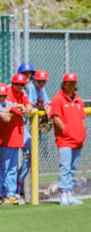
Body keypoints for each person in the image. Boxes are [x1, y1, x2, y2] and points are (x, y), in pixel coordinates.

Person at [0, 73, 33, 205]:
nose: (19, 86)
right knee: (3, 166)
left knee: (12, 167)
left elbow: (28, 106)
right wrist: (19, 107)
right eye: (17, 84)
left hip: (17, 133)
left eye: (22, 84)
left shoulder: (23, 94)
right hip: (6, 134)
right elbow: (7, 105)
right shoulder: (6, 91)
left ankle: (10, 194)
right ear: (12, 83)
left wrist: (25, 107)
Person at [50, 73, 86, 205]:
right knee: (65, 166)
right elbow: (55, 117)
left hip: (77, 140)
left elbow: (81, 118)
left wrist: (83, 134)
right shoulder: (58, 99)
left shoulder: (78, 100)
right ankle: (64, 194)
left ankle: (70, 192)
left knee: (73, 167)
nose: (70, 86)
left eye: (72, 84)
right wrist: (65, 131)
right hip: (65, 140)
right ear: (64, 84)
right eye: (68, 83)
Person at [18, 69, 51, 201]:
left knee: (32, 156)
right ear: (34, 80)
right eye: (39, 81)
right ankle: (15, 186)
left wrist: (47, 109)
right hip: (23, 125)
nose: (41, 83)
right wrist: (43, 109)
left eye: (44, 81)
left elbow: (47, 103)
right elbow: (31, 106)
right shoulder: (31, 87)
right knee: (30, 153)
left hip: (32, 126)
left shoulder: (41, 89)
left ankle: (18, 185)